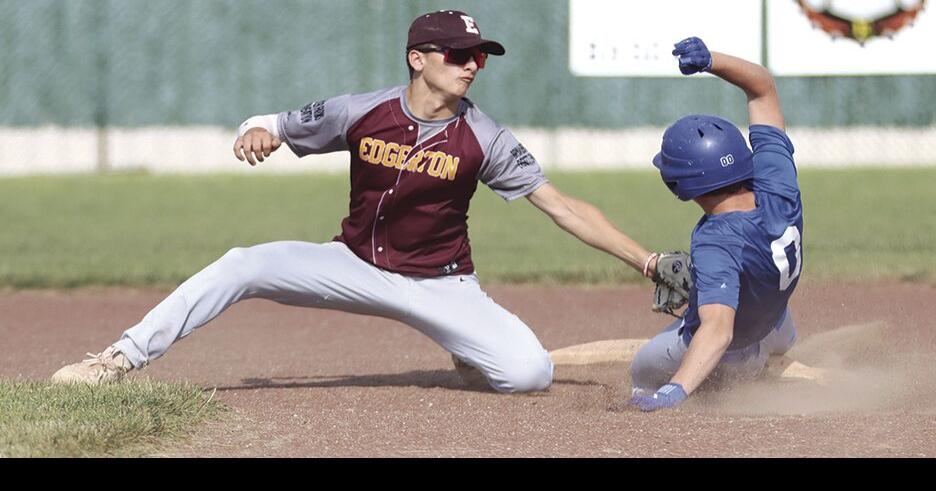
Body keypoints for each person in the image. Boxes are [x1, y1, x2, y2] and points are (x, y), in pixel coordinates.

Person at [52, 10, 660, 393]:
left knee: (530, 375)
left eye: (478, 56)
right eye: (457, 54)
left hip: (440, 282)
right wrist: (256, 130)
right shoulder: (362, 111)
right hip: (351, 265)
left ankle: (466, 350)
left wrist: (647, 262)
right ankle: (116, 360)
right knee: (242, 263)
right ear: (418, 59)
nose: (472, 65)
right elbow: (275, 121)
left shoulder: (486, 138)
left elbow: (562, 206)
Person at [629, 37, 804, 411]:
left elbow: (718, 331)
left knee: (642, 369)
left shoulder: (714, 243)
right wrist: (712, 61)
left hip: (738, 349)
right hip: (777, 322)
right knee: (755, 301)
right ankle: (777, 347)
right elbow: (763, 87)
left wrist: (674, 390)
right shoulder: (776, 179)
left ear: (680, 185)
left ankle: (744, 372)